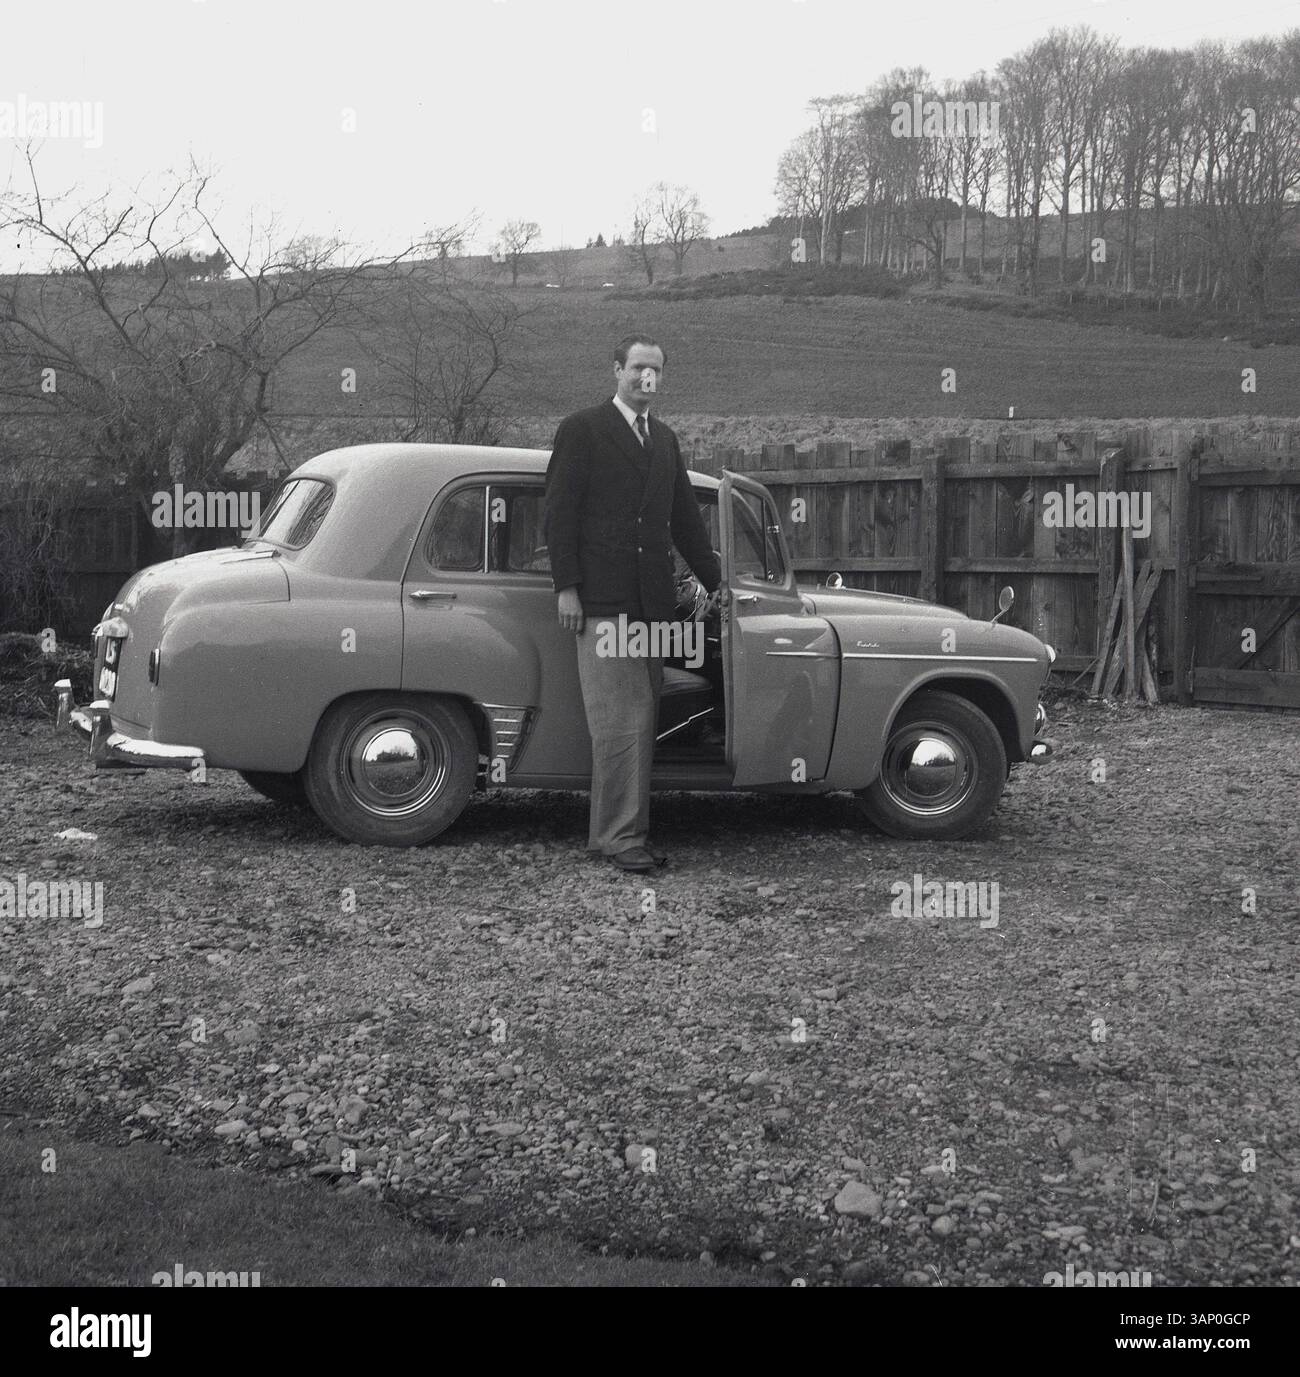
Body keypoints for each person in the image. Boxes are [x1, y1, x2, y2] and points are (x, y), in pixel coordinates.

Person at [544, 334, 721, 873]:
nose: (648, 378)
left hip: (653, 606)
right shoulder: (583, 430)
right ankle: (623, 839)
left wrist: (716, 582)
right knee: (623, 721)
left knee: (638, 719)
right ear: (617, 370)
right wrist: (567, 586)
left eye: (657, 370)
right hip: (601, 603)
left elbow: (685, 521)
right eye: (639, 367)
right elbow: (559, 515)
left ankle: (614, 834)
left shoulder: (664, 441)